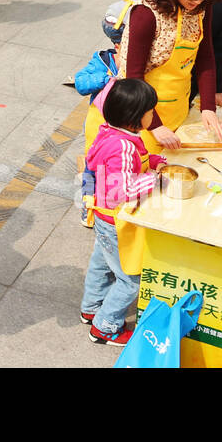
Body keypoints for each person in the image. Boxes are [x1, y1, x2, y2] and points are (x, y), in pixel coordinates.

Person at [109, 0, 222, 153]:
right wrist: (154, 125)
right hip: (141, 113)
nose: (197, 3)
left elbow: (205, 55)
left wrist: (207, 107)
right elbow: (134, 76)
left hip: (176, 106)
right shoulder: (147, 13)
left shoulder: (201, 5)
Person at [81, 77, 165, 347]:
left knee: (102, 264)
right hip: (117, 220)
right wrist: (155, 179)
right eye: (150, 111)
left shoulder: (112, 133)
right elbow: (122, 189)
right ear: (135, 118)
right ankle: (105, 326)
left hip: (103, 215)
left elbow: (130, 162)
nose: (153, 115)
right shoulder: (124, 147)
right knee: (130, 279)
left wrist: (153, 161)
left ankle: (91, 307)